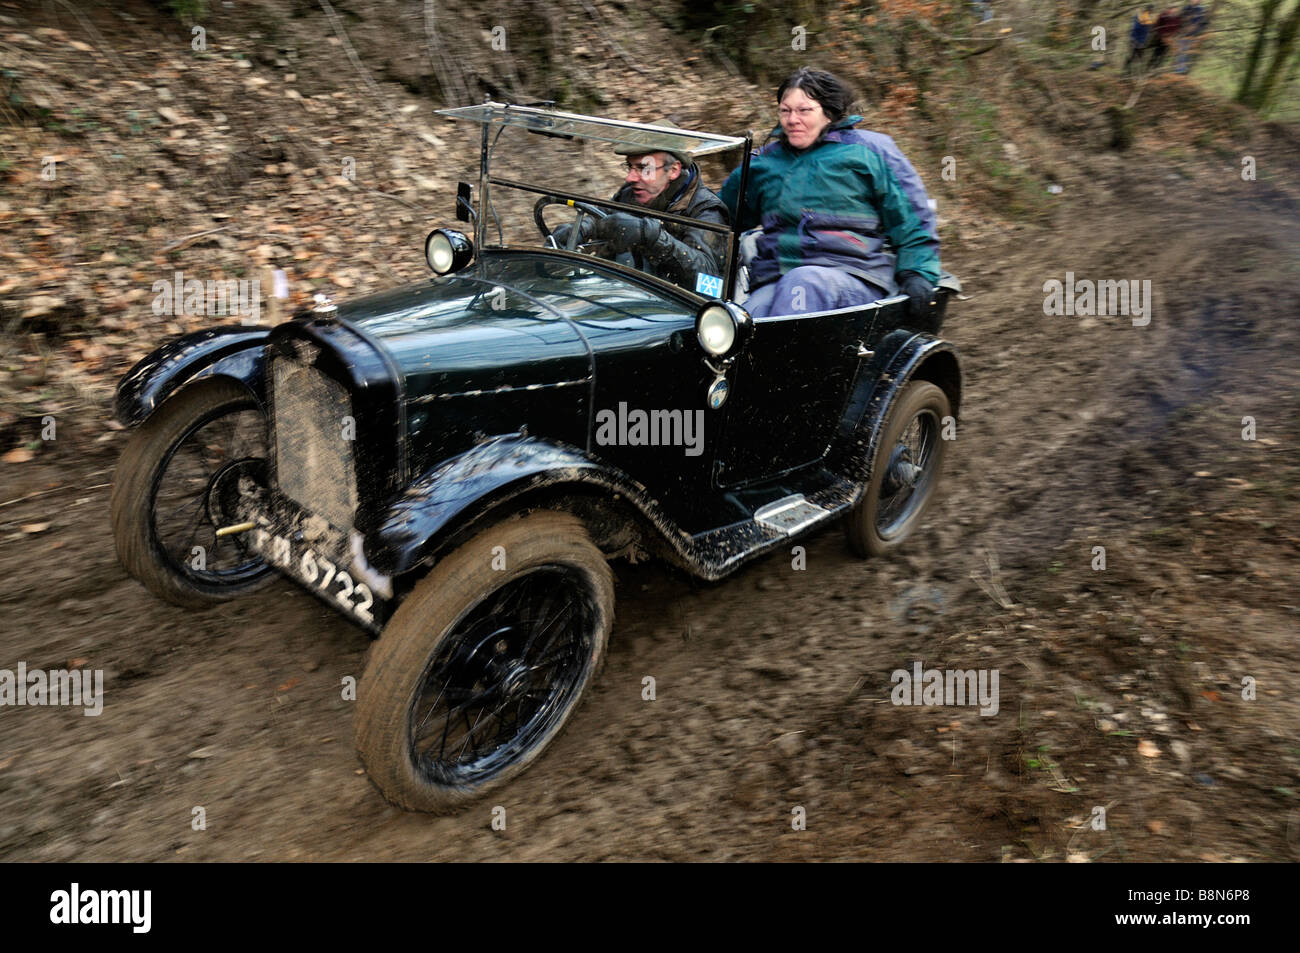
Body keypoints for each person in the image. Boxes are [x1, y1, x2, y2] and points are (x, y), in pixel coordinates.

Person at [718, 67, 941, 329]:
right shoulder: (764, 162)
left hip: (853, 276)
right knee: (738, 324)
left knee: (802, 283)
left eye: (804, 110)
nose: (792, 119)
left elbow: (912, 218)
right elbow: (720, 216)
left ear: (828, 112)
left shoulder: (871, 151)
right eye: (785, 110)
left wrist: (916, 272)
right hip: (775, 278)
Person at [553, 119, 729, 292]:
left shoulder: (705, 210)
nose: (630, 178)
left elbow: (709, 282)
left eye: (644, 168)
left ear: (674, 170)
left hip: (678, 308)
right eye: (630, 167)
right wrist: (582, 229)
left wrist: (651, 236)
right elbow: (606, 216)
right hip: (626, 290)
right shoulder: (633, 192)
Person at [1125, 6, 1156, 74]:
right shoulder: (1143, 18)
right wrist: (1135, 40)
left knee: (1137, 56)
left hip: (1140, 40)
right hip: (1137, 40)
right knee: (1135, 56)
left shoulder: (1144, 18)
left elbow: (1148, 29)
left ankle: (1132, 71)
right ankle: (1128, 71)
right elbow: (1137, 29)